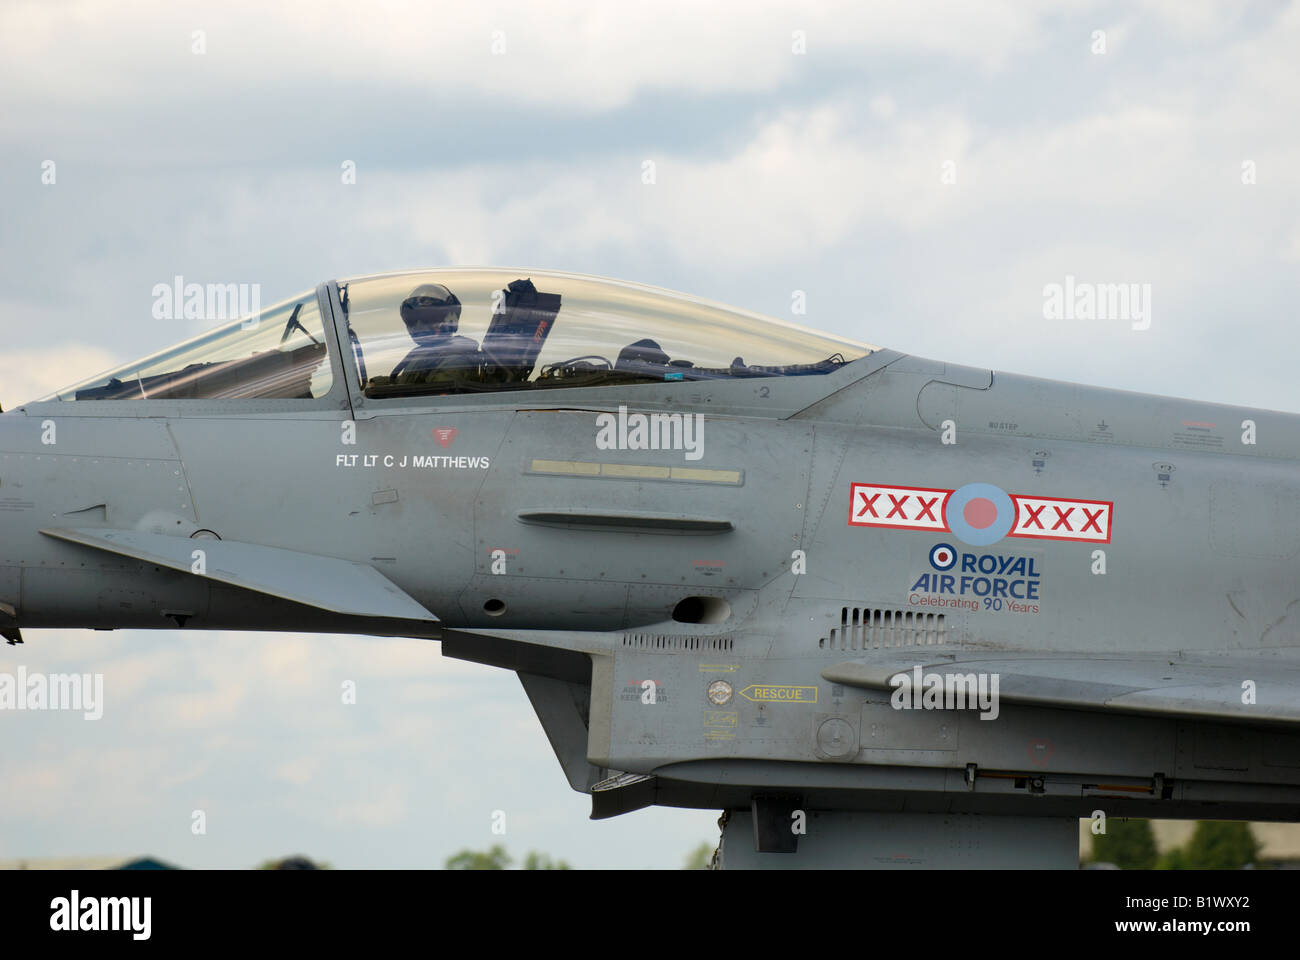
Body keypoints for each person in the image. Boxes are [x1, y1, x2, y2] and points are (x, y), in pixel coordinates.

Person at [389, 283, 480, 382]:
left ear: (451, 319)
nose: (418, 326)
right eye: (412, 320)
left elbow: (437, 394)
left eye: (427, 318)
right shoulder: (422, 354)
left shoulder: (455, 360)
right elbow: (402, 383)